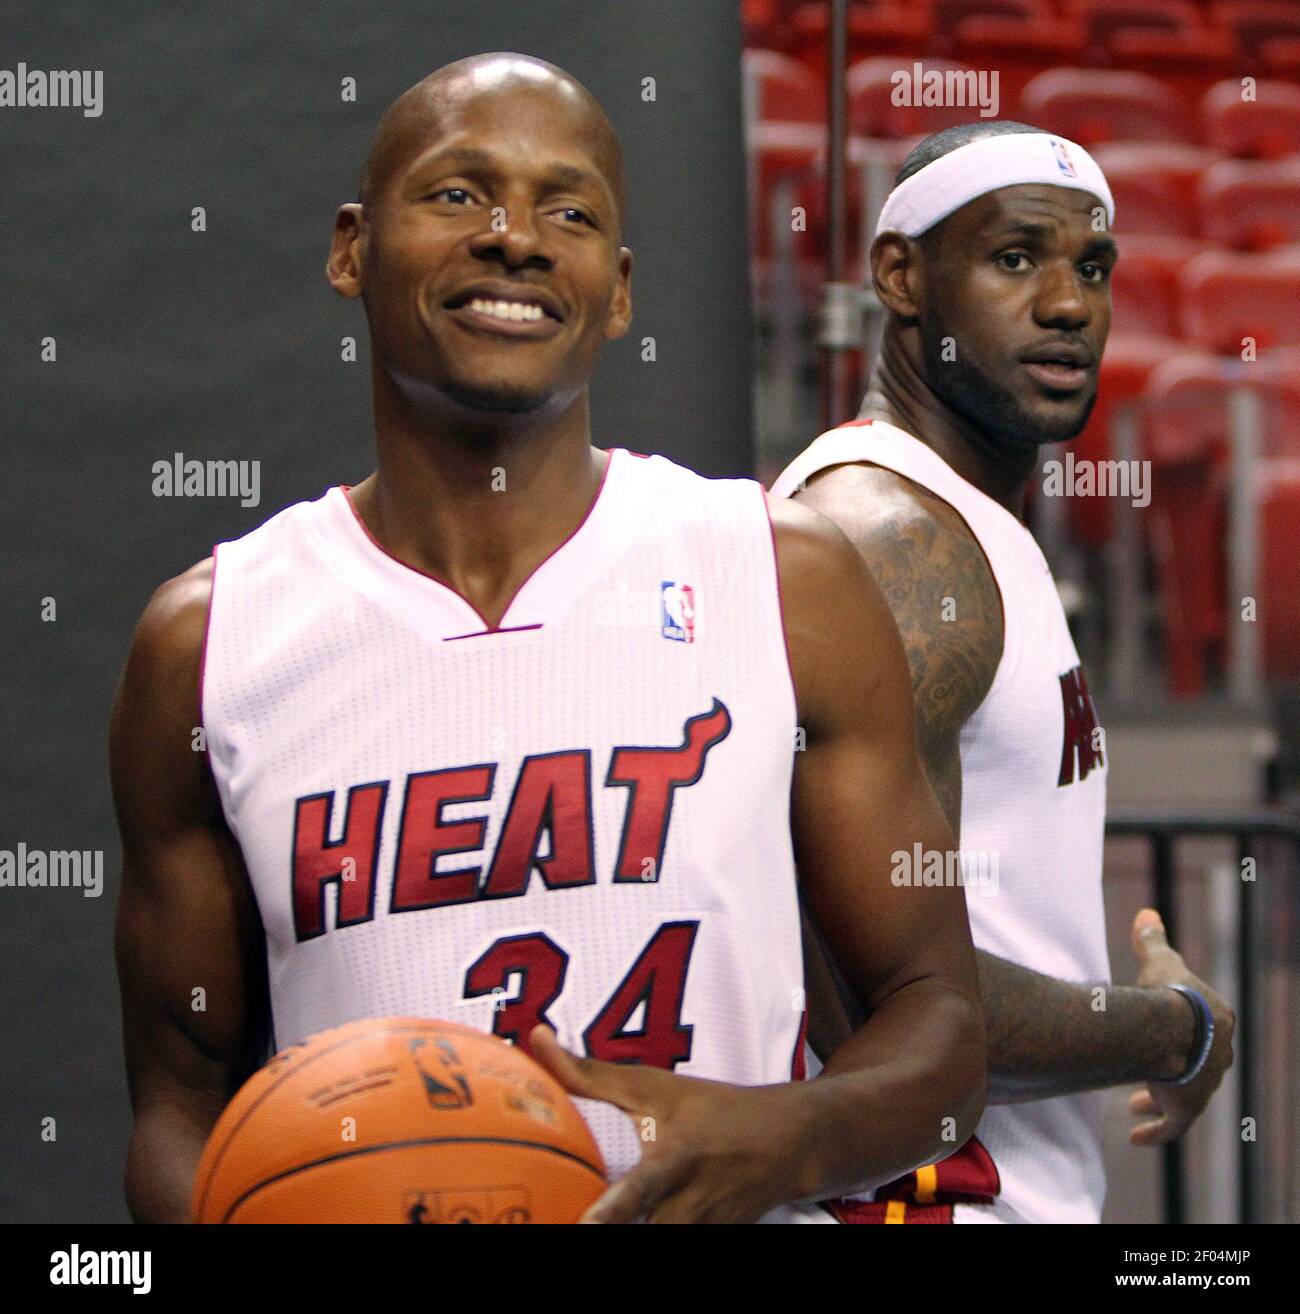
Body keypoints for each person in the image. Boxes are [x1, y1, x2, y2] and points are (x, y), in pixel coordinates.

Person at [111, 54, 985, 1225]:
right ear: (350, 250)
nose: (515, 238)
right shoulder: (210, 643)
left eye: (566, 211)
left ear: (616, 291)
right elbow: (175, 1108)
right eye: (459, 194)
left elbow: (941, 1029)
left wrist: (795, 1136)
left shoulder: (779, 576)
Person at [772, 121, 1234, 1224]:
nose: (1070, 305)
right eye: (1014, 259)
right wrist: (1177, 1031)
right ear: (900, 277)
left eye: (1092, 267)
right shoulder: (884, 532)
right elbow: (882, 993)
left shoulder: (965, 524)